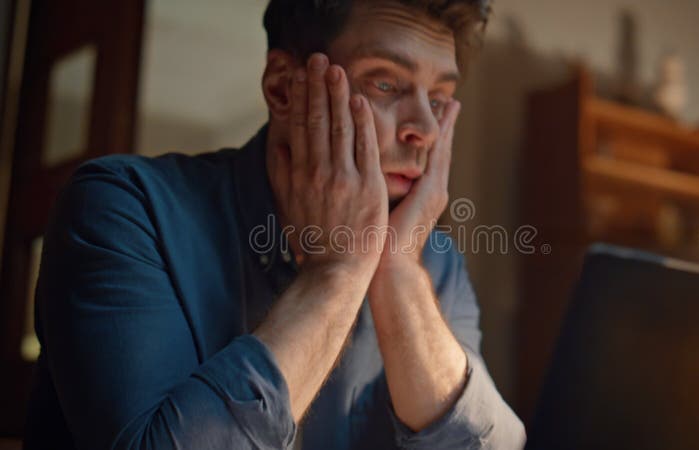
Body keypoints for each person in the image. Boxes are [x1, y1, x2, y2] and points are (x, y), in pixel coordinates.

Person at [23, 1, 526, 448]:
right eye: (386, 82)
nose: (425, 129)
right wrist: (339, 269)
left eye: (438, 99)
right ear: (283, 87)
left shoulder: (432, 265)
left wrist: (394, 269)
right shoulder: (125, 209)